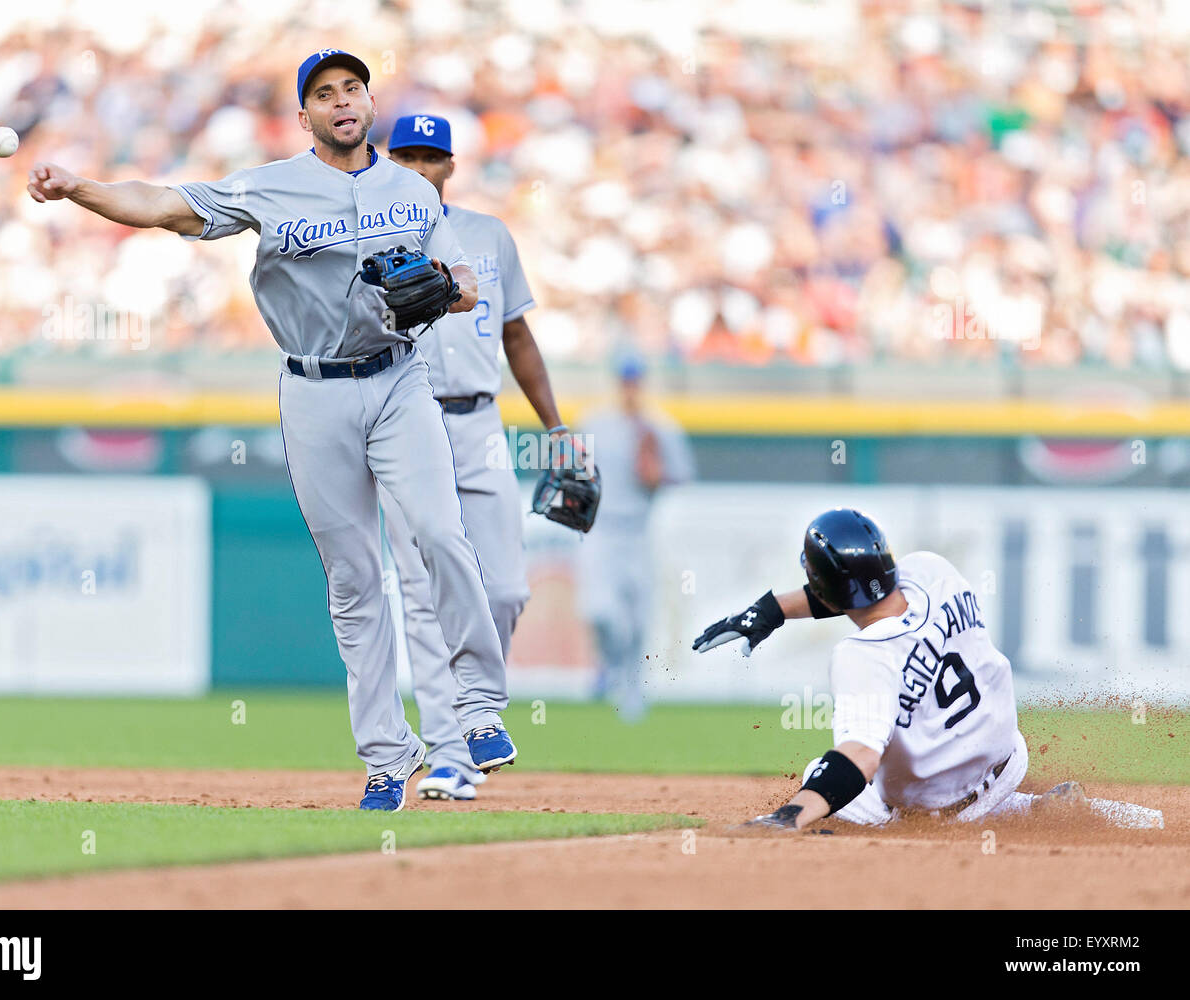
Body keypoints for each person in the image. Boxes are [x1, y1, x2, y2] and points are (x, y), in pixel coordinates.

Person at [26, 48, 517, 812]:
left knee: (441, 536)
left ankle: (480, 709)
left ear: (368, 101)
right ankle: (388, 758)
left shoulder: (413, 192)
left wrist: (438, 290)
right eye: (325, 93)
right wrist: (79, 188)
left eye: (353, 87)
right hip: (314, 390)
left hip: (398, 380)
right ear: (306, 116)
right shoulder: (271, 185)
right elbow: (162, 205)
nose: (342, 101)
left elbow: (464, 285)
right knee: (354, 579)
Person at [692, 508, 1162, 831]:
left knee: (824, 776)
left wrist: (789, 816)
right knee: (945, 760)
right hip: (1005, 763)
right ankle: (1049, 810)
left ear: (827, 592)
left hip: (941, 809)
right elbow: (856, 590)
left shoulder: (863, 656)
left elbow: (860, 757)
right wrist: (773, 608)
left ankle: (970, 817)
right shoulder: (933, 570)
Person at [378, 114, 571, 801]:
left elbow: (517, 335)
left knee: (507, 588)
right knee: (424, 597)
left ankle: (478, 707)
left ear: (451, 167)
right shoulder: (368, 236)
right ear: (389, 160)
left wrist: (554, 427)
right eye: (408, 156)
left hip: (481, 418)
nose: (421, 166)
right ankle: (451, 752)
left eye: (433, 157)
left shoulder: (488, 236)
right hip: (404, 421)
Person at [577, 356, 694, 722]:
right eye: (625, 380)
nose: (630, 387)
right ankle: (610, 669)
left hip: (639, 528)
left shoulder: (659, 427)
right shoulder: (594, 422)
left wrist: (656, 470)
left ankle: (630, 689)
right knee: (600, 611)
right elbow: (571, 469)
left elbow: (680, 475)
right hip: (600, 527)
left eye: (635, 380)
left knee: (638, 619)